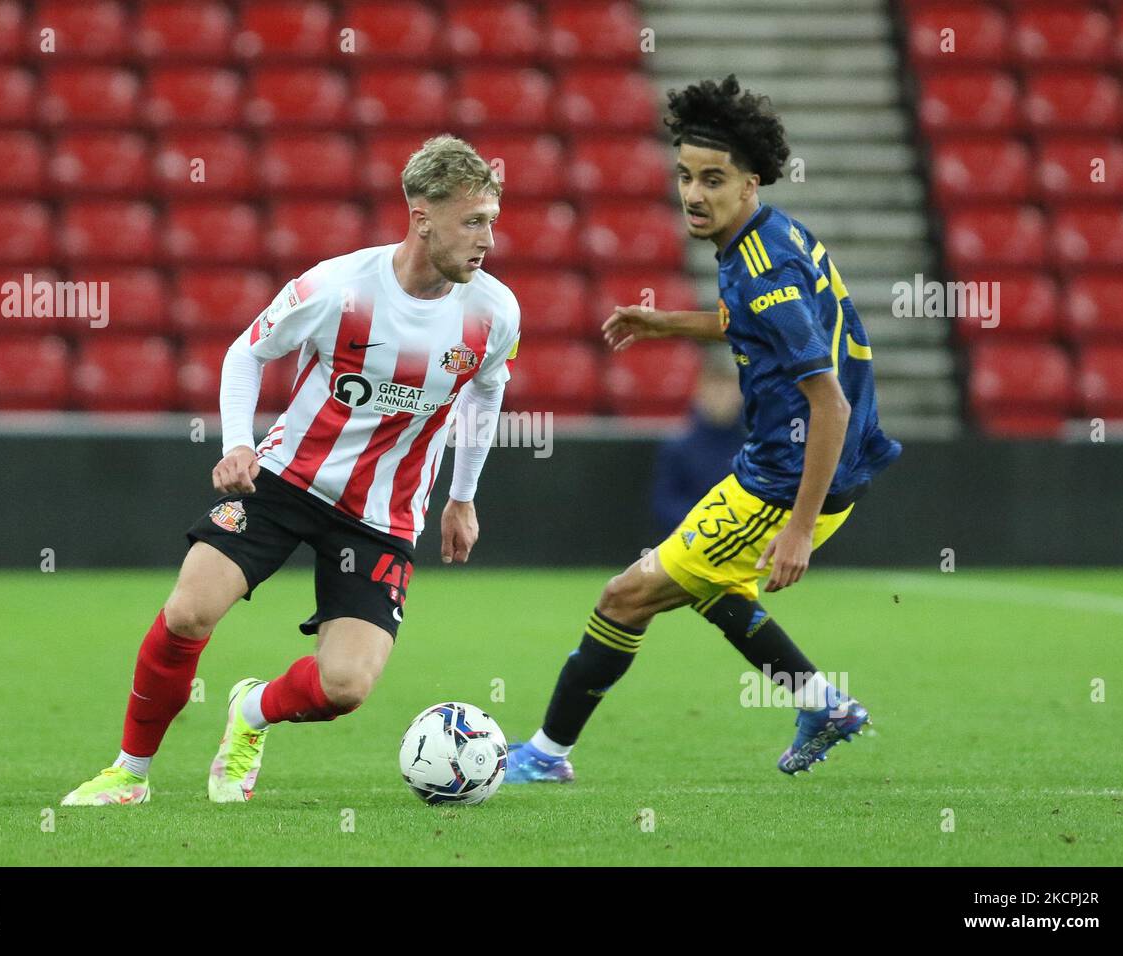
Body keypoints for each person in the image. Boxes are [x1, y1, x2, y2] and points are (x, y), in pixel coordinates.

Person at [62, 135, 521, 805]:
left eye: (492, 222)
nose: (487, 240)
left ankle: (251, 711)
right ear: (422, 215)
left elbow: (487, 393)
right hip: (284, 480)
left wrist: (463, 498)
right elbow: (246, 353)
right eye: (473, 221)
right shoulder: (339, 287)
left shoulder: (493, 312)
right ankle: (129, 773)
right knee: (189, 610)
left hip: (382, 515)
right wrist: (237, 444)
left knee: (346, 688)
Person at [506, 76, 901, 782]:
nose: (693, 193)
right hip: (799, 465)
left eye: (712, 179)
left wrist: (800, 528)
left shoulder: (762, 267)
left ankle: (545, 755)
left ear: (750, 180)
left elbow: (829, 403)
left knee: (624, 596)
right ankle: (822, 702)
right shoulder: (768, 233)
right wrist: (665, 323)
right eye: (685, 176)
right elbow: (759, 323)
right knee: (717, 591)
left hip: (787, 478)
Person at [651, 351, 746, 538]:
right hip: (690, 544)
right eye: (715, 385)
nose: (722, 395)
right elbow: (664, 502)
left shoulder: (756, 446)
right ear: (700, 388)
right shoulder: (679, 447)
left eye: (729, 386)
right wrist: (704, 525)